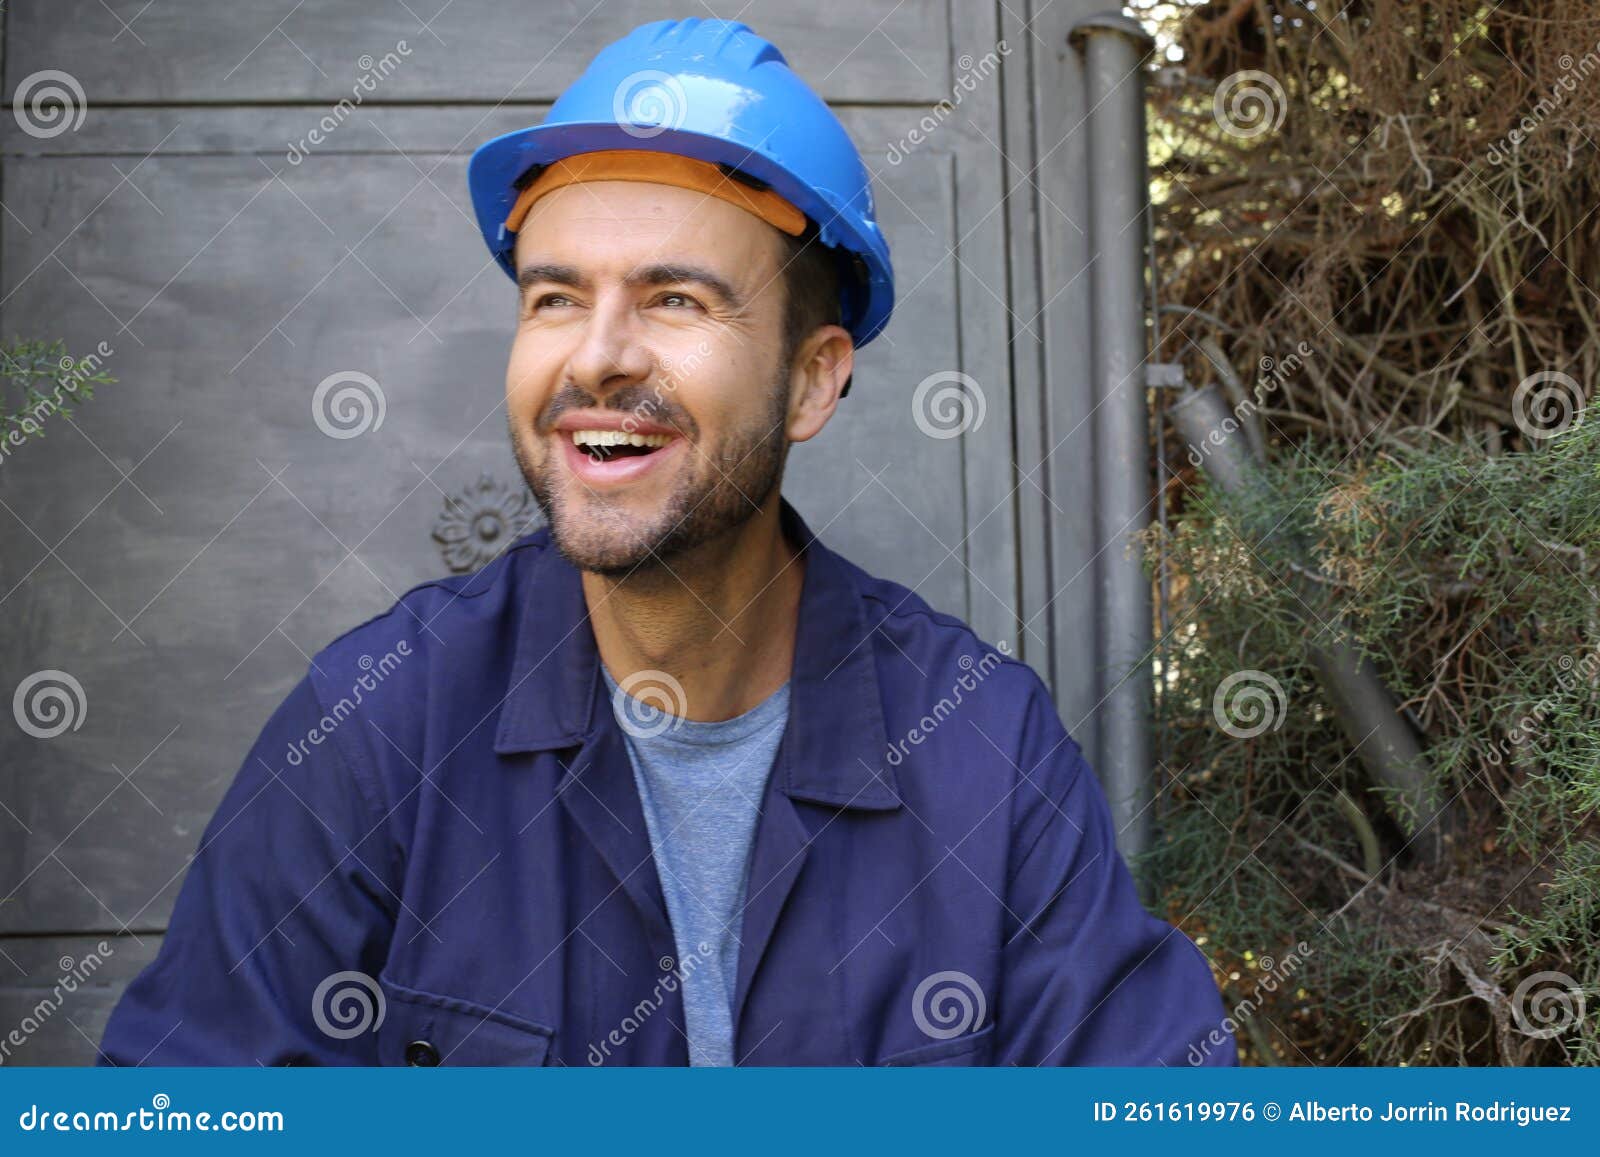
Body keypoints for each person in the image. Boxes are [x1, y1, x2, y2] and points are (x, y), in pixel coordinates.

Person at [99, 17, 1234, 1067]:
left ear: (812, 379)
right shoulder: (378, 726)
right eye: (555, 298)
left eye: (675, 299)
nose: (597, 357)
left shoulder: (980, 748)